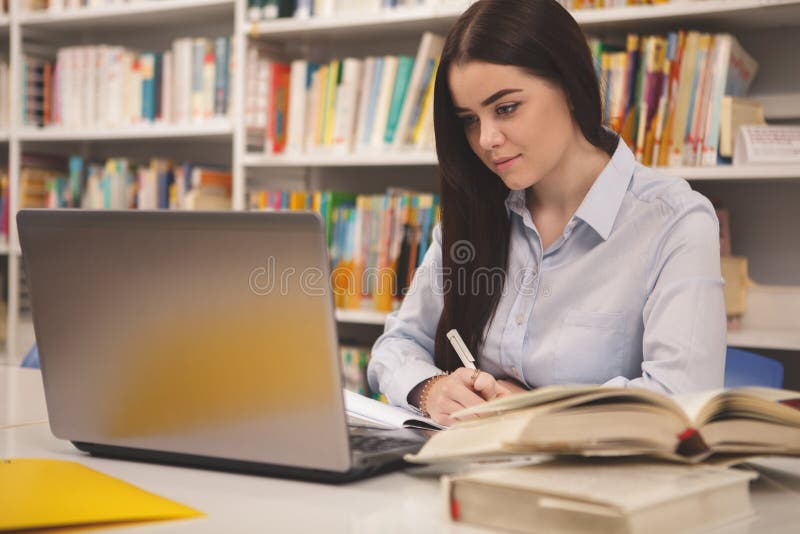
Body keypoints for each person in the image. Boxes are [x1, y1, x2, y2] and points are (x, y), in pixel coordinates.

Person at [367, 0, 726, 425]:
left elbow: (680, 398)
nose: (486, 139)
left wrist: (532, 410)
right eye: (468, 119)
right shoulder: (475, 216)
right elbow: (396, 344)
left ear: (571, 88)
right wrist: (431, 390)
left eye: (505, 108)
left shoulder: (674, 222)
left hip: (605, 483)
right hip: (473, 470)